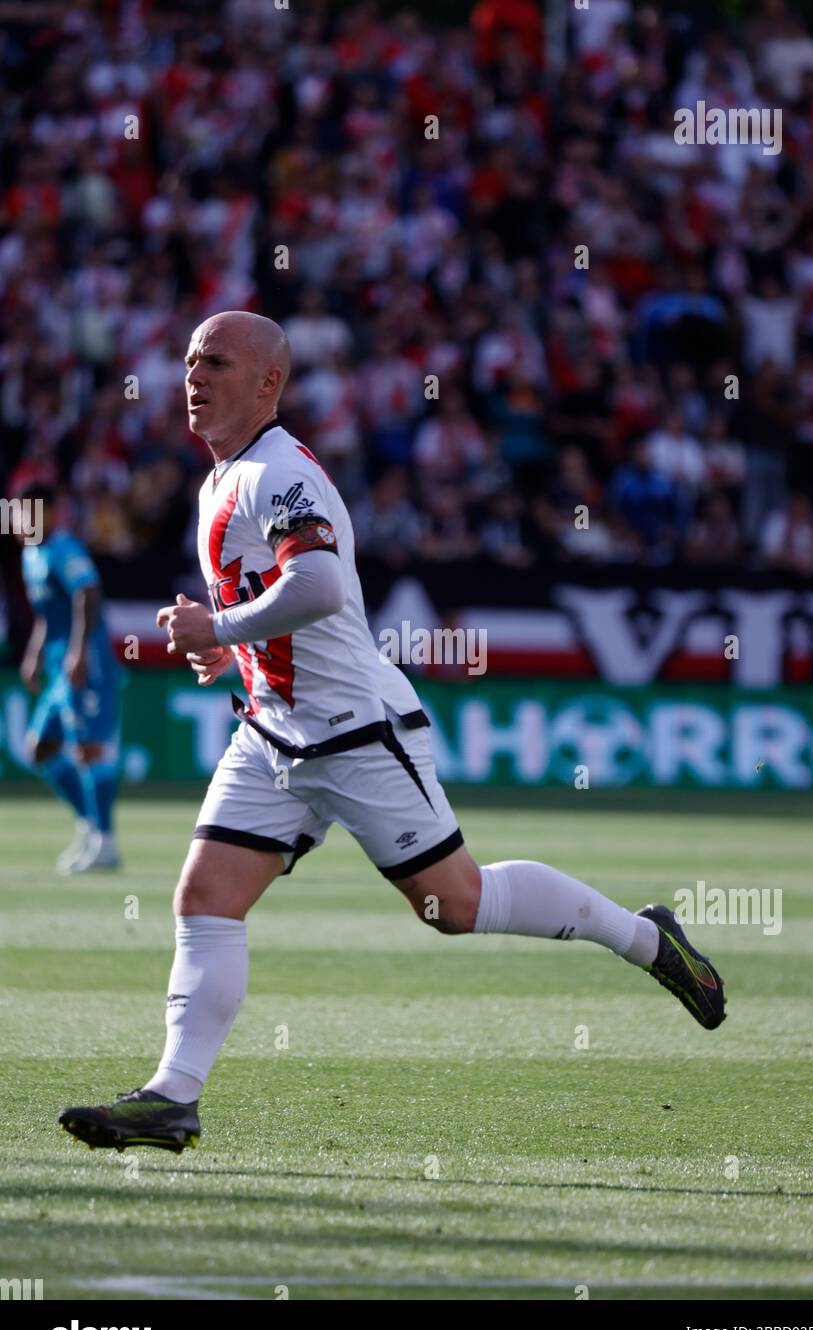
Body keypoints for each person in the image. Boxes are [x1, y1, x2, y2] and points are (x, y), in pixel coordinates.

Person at [59, 312, 725, 1154]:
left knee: (455, 905)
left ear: (268, 381)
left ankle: (644, 937)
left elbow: (322, 585)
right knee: (204, 897)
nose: (194, 376)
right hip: (274, 732)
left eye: (216, 362)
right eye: (189, 360)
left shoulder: (277, 471)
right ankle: (173, 1097)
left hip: (354, 733)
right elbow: (287, 606)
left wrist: (218, 630)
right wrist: (242, 656)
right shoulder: (223, 477)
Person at [17, 486, 121, 873]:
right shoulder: (31, 556)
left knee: (87, 750)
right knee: (39, 748)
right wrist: (34, 653)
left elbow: (88, 594)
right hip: (58, 668)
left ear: (48, 513)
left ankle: (105, 842)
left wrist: (79, 650)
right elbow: (47, 615)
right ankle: (90, 826)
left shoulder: (64, 549)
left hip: (85, 662)